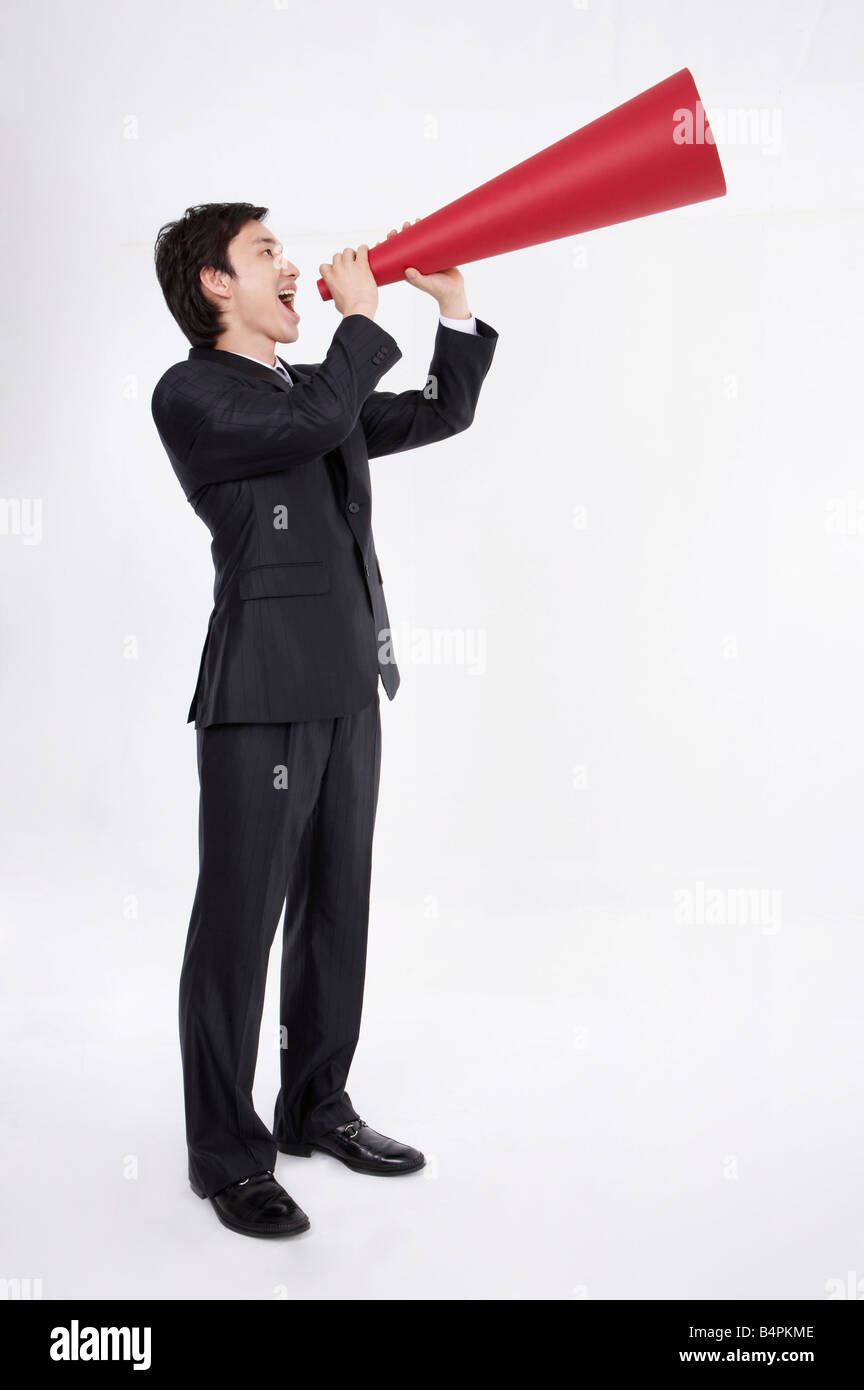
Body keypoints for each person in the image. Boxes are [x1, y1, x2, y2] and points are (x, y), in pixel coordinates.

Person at [150, 202, 498, 1238]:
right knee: (238, 928)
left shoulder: (316, 388)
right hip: (260, 695)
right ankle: (226, 1154)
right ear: (217, 286)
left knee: (336, 908)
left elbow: (439, 413)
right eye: (266, 253)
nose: (292, 265)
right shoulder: (195, 393)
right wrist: (358, 321)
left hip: (350, 687)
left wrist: (454, 312)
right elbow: (306, 430)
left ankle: (316, 1105)